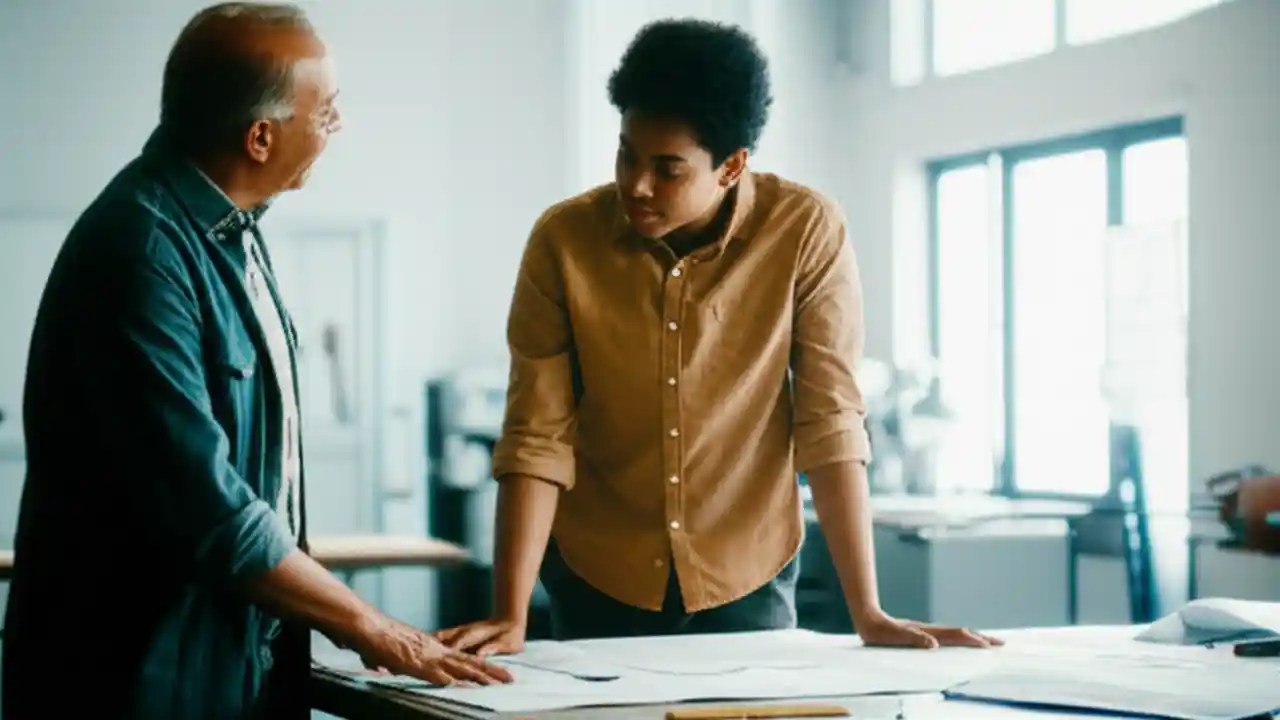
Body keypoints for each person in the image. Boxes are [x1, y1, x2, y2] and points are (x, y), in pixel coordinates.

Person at [1, 3, 509, 718]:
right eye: (327, 111)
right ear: (261, 136)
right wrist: (372, 625)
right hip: (141, 680)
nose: (337, 129)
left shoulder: (230, 231)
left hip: (235, 662)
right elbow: (209, 508)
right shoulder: (138, 253)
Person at [438, 19, 1005, 655]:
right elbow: (536, 435)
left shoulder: (804, 231)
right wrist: (511, 614)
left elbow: (830, 420)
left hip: (746, 573)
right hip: (600, 571)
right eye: (626, 153)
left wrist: (867, 614)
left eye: (668, 169)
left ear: (732, 166)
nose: (637, 185)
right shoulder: (564, 241)